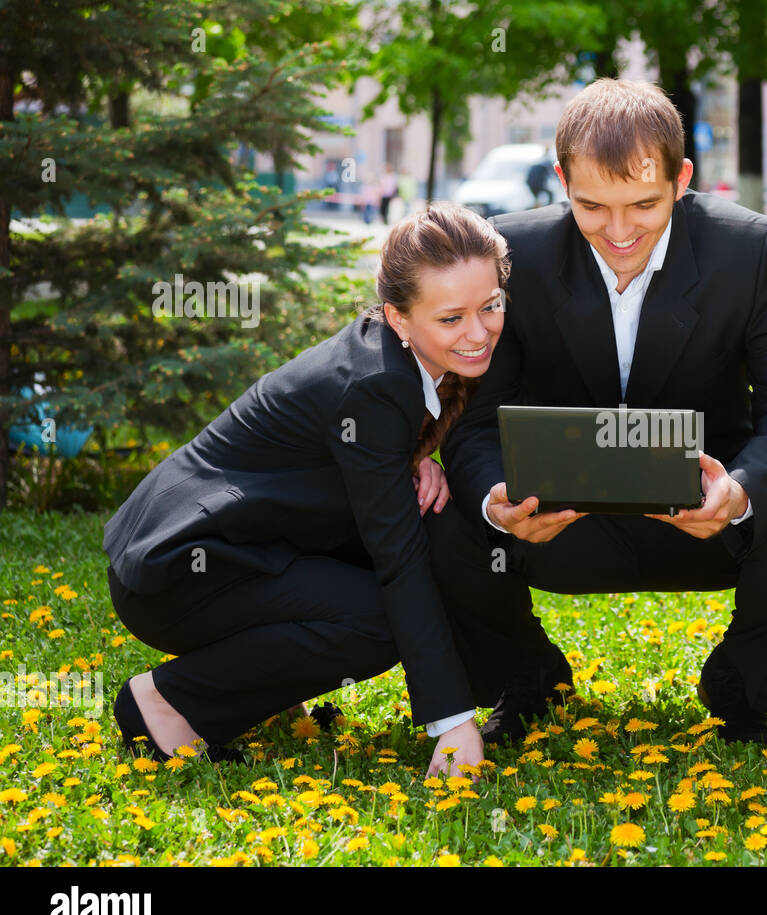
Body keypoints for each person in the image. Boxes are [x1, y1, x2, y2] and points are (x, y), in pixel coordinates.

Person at [426, 79, 767, 745]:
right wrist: (495, 500)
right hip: (557, 521)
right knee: (438, 518)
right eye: (592, 205)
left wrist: (738, 492)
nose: (620, 231)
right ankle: (528, 674)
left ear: (682, 178)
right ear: (562, 176)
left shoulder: (750, 250)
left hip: (706, 516)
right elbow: (475, 422)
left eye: (645, 204)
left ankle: (738, 686)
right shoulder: (511, 255)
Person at [102, 203, 509, 777]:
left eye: (490, 306)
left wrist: (414, 459)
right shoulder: (377, 384)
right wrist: (452, 722)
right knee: (380, 619)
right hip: (179, 569)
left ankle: (252, 689)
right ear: (398, 318)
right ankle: (168, 701)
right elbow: (397, 561)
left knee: (416, 546)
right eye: (451, 319)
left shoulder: (401, 362)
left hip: (228, 546)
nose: (478, 331)